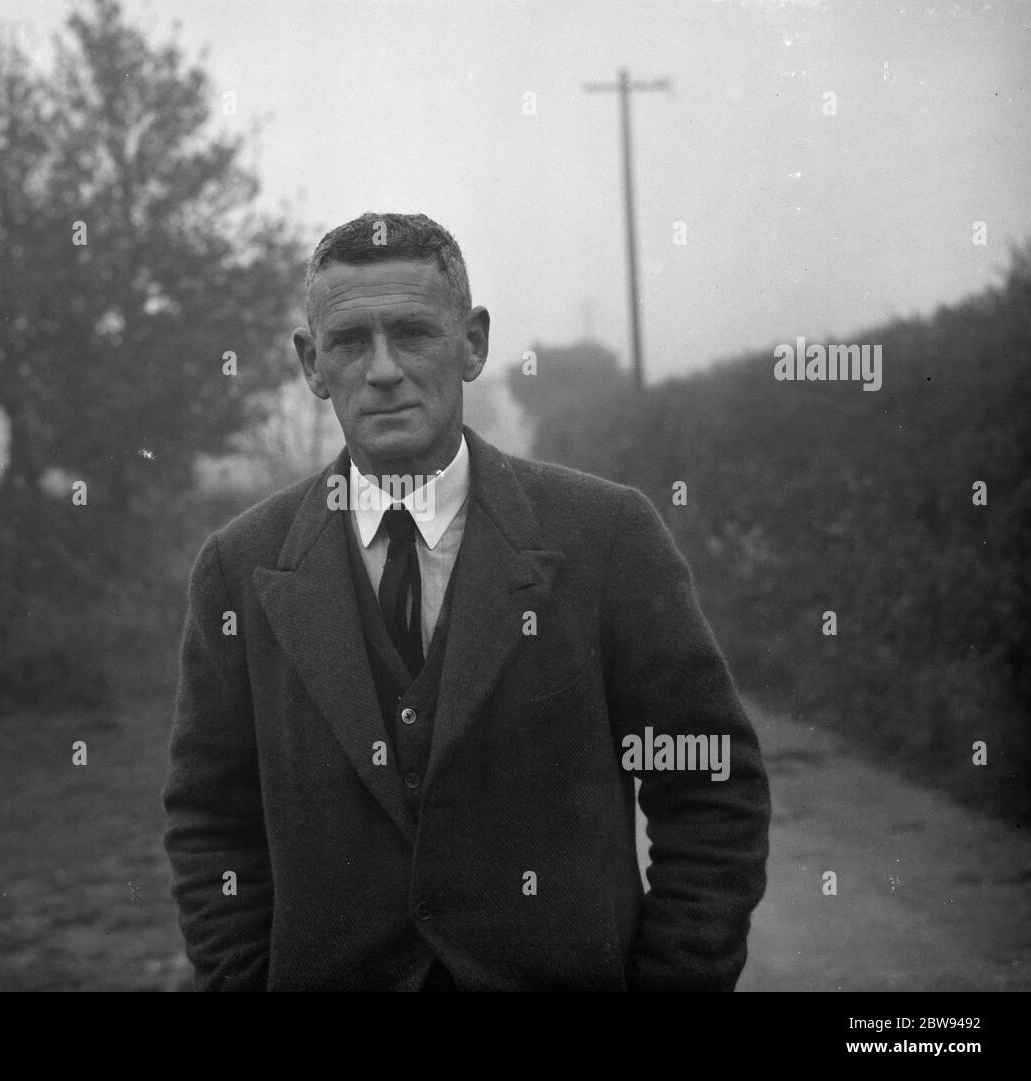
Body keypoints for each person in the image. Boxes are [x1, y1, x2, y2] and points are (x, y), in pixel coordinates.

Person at [162, 211, 770, 991]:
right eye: (350, 342)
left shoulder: (606, 534)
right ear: (313, 365)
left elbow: (710, 781)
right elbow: (213, 820)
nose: (383, 369)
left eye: (413, 332)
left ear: (473, 343)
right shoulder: (238, 569)